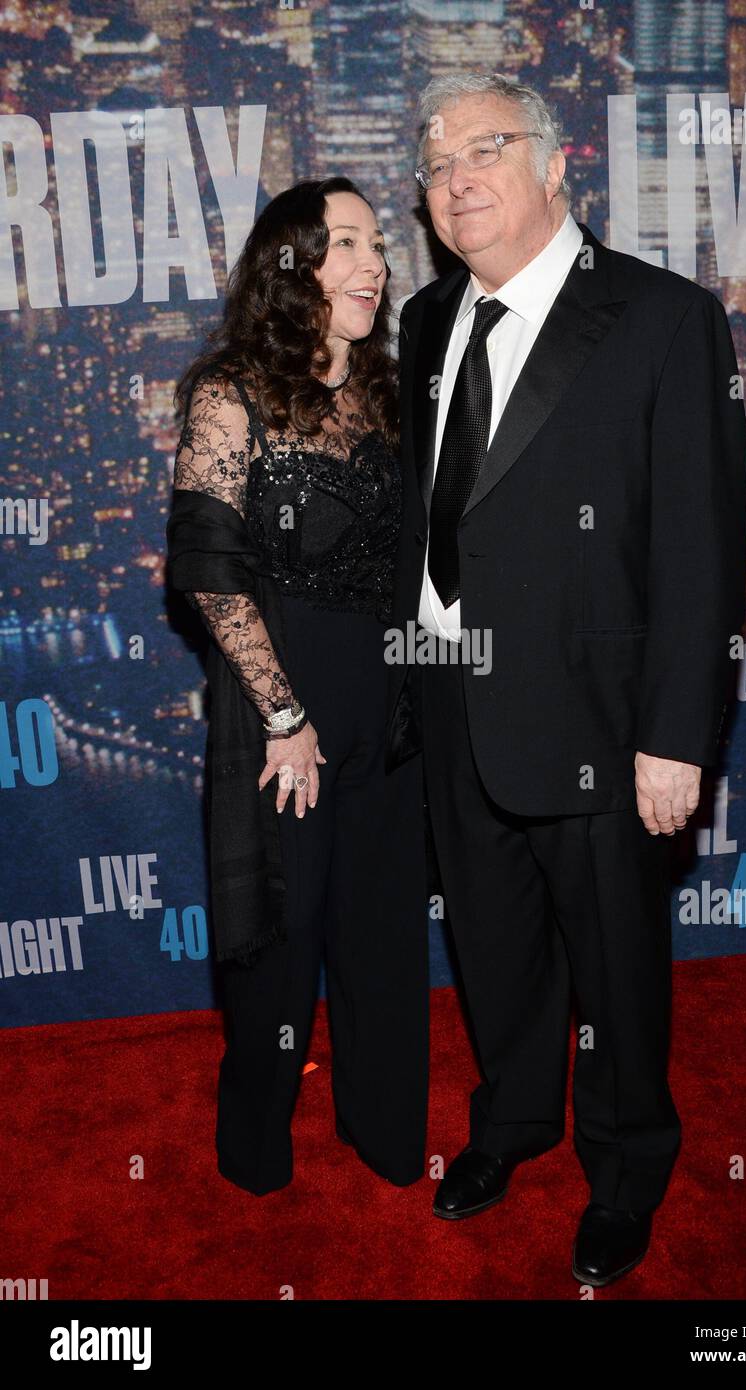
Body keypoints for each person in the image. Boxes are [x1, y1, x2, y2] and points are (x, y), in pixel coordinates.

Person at [387, 73, 746, 1286]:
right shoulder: (429, 321)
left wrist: (674, 735)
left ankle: (626, 1162)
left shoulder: (658, 318)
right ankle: (513, 1125)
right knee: (493, 952)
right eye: (434, 163)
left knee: (614, 967)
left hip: (600, 720)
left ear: (554, 166)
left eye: (483, 149)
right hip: (452, 696)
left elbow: (699, 546)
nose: (454, 179)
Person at [166, 177, 428, 1197]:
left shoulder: (385, 388)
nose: (373, 264)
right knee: (282, 943)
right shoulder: (229, 392)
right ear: (291, 267)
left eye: (376, 245)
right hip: (285, 711)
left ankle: (383, 1131)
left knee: (379, 932)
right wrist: (283, 714)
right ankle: (256, 1153)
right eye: (347, 245)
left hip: (391, 702)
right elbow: (204, 568)